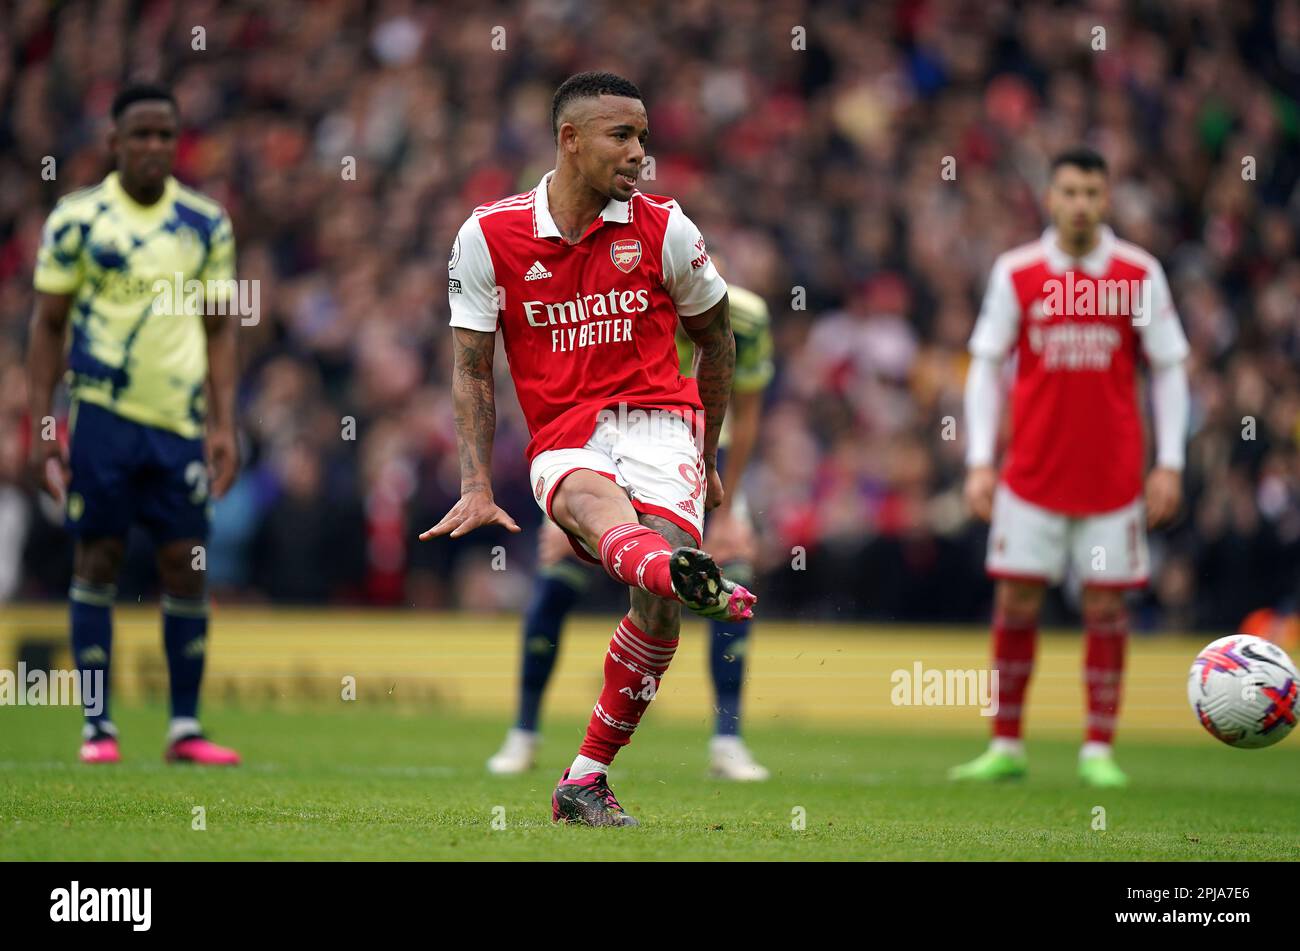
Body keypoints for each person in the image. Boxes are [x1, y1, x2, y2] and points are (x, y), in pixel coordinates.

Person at [423, 71, 756, 826]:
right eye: (622, 136)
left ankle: (584, 779)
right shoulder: (489, 235)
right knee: (589, 501)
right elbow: (472, 366)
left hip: (662, 421)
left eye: (644, 135)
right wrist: (477, 483)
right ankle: (683, 573)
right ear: (569, 141)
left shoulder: (667, 227)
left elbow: (717, 338)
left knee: (659, 603)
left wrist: (707, 459)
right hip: (565, 430)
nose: (640, 153)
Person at [951, 147, 1190, 788]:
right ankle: (1006, 743)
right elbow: (986, 367)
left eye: (1091, 192)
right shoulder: (1018, 272)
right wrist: (979, 460)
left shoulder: (1138, 273)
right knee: (1016, 597)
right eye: (1069, 192)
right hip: (1030, 474)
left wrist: (1169, 462)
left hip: (1112, 479)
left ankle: (1098, 747)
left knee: (1107, 608)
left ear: (1105, 199)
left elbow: (1167, 369)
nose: (1080, 204)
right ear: (1050, 198)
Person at [27, 83, 241, 766]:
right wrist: (39, 426)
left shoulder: (206, 223)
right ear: (113, 142)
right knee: (99, 556)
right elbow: (48, 325)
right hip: (100, 419)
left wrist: (224, 422)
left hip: (177, 423)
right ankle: (98, 727)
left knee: (185, 562)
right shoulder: (78, 220)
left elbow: (219, 327)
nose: (153, 146)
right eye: (140, 134)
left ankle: (184, 727)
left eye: (164, 134)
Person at [486, 282, 775, 781]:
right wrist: (568, 502)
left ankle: (728, 743)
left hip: (704, 457)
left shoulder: (745, 317)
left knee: (735, 565)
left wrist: (727, 512)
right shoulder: (625, 292)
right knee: (558, 576)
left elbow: (746, 418)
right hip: (609, 443)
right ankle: (523, 732)